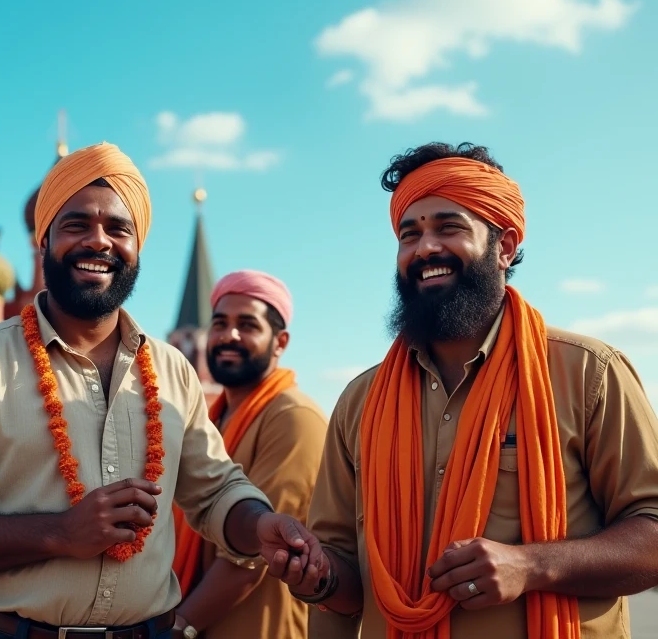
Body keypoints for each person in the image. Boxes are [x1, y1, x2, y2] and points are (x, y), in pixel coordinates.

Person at [0, 142, 320, 639]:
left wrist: (259, 525)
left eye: (119, 228)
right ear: (44, 239)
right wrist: (61, 533)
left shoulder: (171, 370)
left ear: (137, 249)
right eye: (76, 225)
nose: (99, 241)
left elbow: (216, 491)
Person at [271, 142, 658, 639]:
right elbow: (347, 581)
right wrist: (316, 575)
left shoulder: (588, 372)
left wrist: (533, 566)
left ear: (506, 246)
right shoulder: (360, 401)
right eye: (409, 235)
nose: (425, 248)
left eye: (448, 227)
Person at [172, 270, 328, 638]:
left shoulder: (293, 419)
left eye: (247, 325)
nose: (229, 335)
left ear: (280, 342)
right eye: (220, 323)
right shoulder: (209, 421)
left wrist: (176, 626)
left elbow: (255, 555)